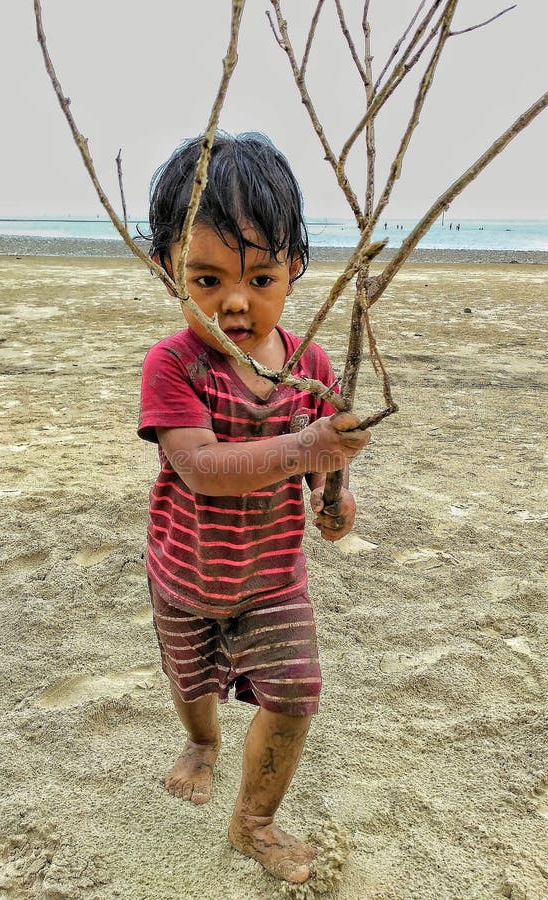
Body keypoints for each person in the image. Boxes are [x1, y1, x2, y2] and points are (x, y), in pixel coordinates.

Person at [138, 132, 370, 884]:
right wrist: (307, 450)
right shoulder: (173, 364)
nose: (234, 302)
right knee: (192, 685)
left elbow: (320, 478)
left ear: (296, 267)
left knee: (297, 692)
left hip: (272, 578)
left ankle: (254, 820)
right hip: (184, 574)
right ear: (165, 268)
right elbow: (202, 468)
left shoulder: (312, 369)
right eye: (204, 279)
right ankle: (201, 743)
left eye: (260, 277)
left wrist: (335, 501)